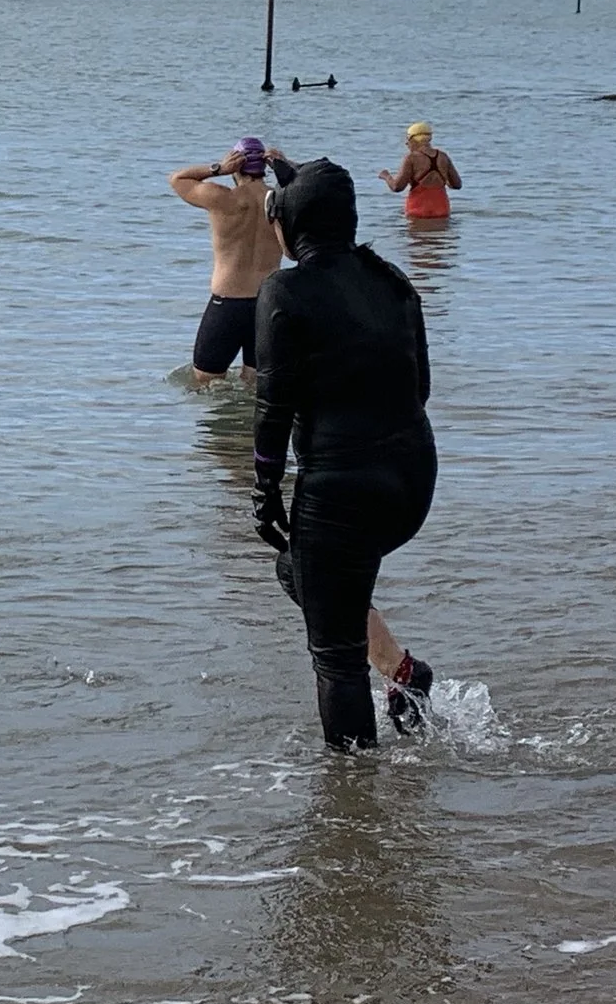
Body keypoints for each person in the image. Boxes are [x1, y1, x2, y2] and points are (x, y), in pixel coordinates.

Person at [252, 157, 437, 749]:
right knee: (299, 571)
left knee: (334, 661)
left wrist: (264, 492)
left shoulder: (285, 289)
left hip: (342, 490)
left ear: (289, 223)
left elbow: (272, 409)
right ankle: (404, 672)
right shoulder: (391, 280)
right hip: (412, 479)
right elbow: (422, 388)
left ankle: (353, 812)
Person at [170, 137, 284, 382]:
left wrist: (218, 168)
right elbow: (316, 185)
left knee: (204, 382)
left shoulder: (222, 198)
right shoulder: (281, 200)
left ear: (237, 164)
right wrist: (287, 168)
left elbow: (178, 179)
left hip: (228, 305)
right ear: (264, 167)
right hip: (268, 304)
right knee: (256, 385)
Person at [380, 123, 460, 219]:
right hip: (442, 210)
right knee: (441, 233)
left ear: (414, 140)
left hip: (418, 211)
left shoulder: (411, 158)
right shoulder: (443, 156)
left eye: (408, 140)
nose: (406, 144)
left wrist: (386, 176)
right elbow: (457, 185)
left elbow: (397, 187)